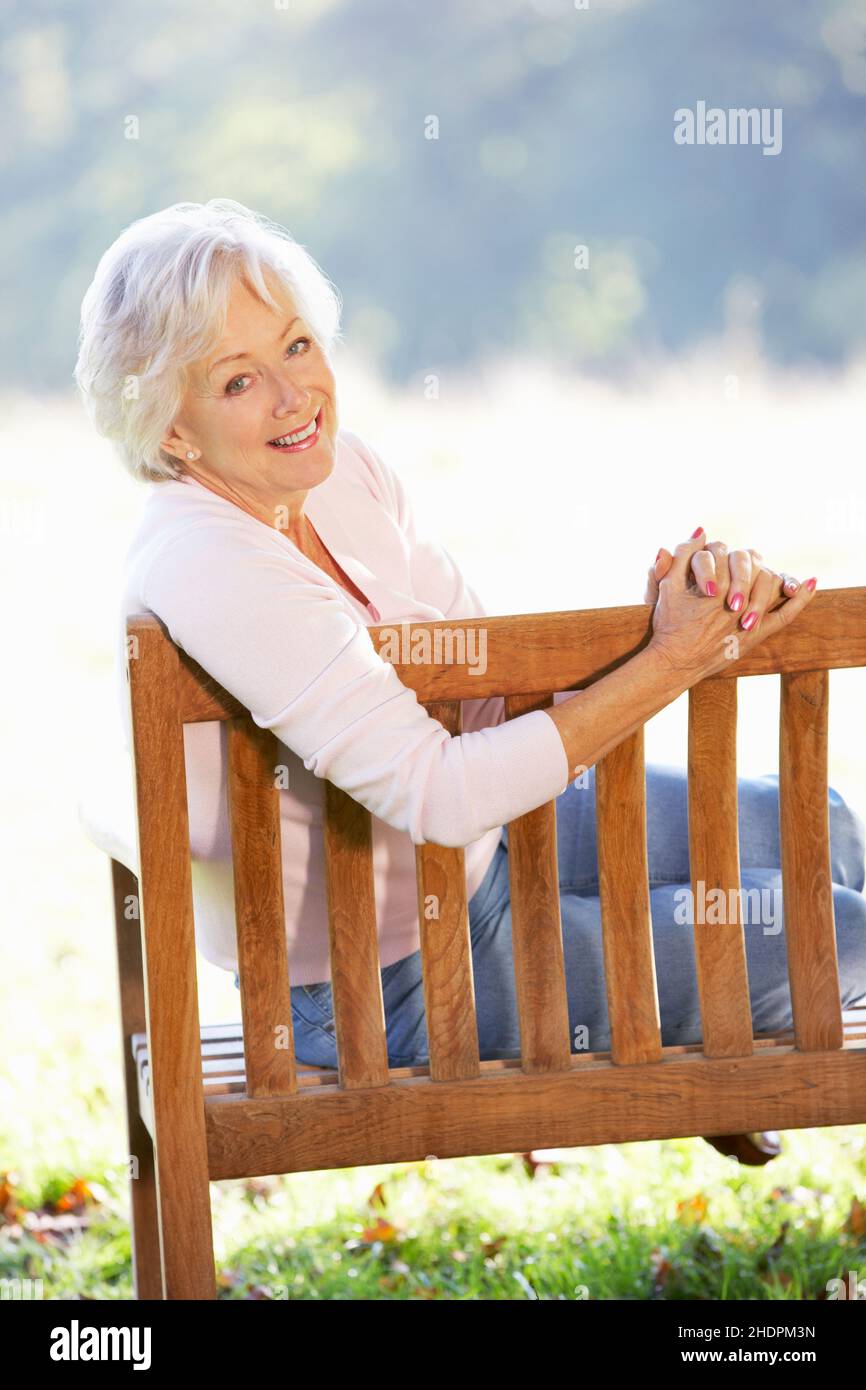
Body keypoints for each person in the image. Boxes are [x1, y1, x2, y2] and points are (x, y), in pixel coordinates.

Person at [74, 200, 866, 1119]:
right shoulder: (209, 562)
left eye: (295, 346)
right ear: (171, 427)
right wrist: (674, 663)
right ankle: (714, 1069)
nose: (296, 398)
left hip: (483, 847)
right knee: (829, 928)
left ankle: (713, 1066)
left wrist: (670, 619)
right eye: (237, 382)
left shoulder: (341, 473)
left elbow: (487, 691)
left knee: (824, 826)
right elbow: (440, 795)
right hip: (385, 977)